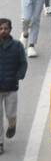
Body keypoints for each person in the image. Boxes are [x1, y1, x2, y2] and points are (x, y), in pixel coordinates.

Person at [0, 15, 27, 147]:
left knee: (10, 114)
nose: (3, 31)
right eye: (0, 28)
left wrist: (18, 76)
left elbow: (23, 63)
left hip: (11, 87)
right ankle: (0, 143)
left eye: (6, 28)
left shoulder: (17, 46)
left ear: (10, 29)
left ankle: (12, 124)